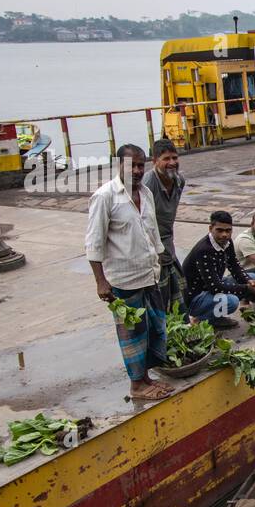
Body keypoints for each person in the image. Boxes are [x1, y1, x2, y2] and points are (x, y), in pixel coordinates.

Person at [85, 143, 173, 401]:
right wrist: (101, 282)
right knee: (133, 334)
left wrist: (160, 260)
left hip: (149, 274)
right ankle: (137, 386)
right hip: (124, 279)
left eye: (140, 165)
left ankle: (146, 378)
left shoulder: (145, 193)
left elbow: (153, 231)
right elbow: (94, 242)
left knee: (155, 328)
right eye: (130, 165)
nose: (136, 170)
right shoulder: (105, 197)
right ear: (118, 165)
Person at [182, 210, 255, 327]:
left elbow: (234, 266)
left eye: (228, 230)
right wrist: (247, 288)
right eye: (219, 230)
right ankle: (200, 319)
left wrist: (248, 281)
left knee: (253, 277)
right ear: (210, 228)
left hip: (212, 287)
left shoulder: (227, 242)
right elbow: (215, 288)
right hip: (196, 297)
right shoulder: (203, 250)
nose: (224, 234)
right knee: (232, 301)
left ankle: (215, 317)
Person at [142, 138, 186, 312]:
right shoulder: (146, 185)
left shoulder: (179, 181)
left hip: (168, 241)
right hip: (151, 246)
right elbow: (140, 222)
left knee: (180, 290)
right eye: (166, 159)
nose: (172, 163)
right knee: (159, 295)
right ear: (155, 161)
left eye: (175, 158)